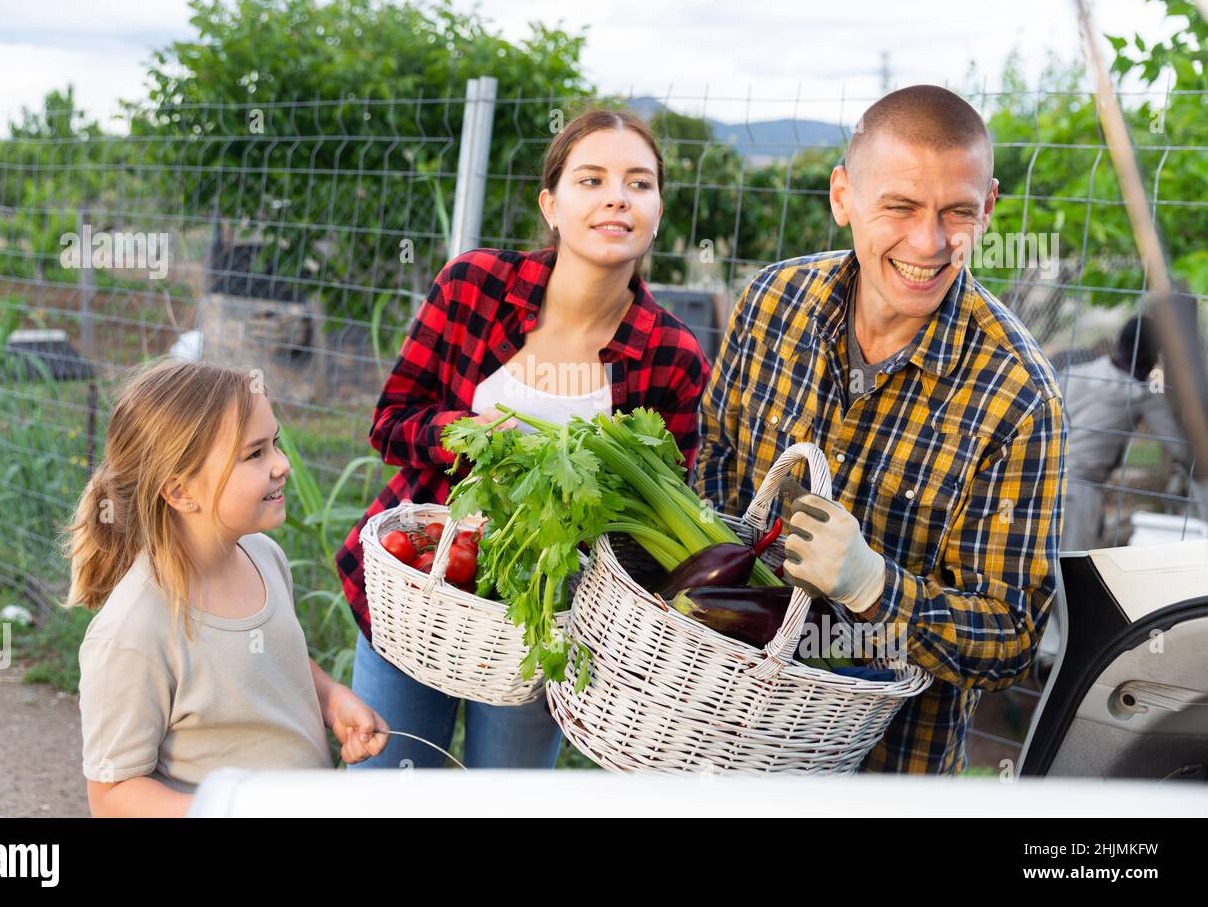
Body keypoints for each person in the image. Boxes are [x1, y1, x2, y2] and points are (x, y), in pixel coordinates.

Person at [694, 84, 1067, 775]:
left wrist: (872, 587)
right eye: (899, 207)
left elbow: (1012, 638)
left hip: (882, 767)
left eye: (957, 212)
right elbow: (716, 449)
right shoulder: (771, 303)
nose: (928, 243)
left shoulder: (1019, 398)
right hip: (716, 726)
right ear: (843, 197)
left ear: (987, 207)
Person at [336, 109, 711, 769]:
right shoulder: (474, 286)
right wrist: (470, 437)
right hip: (424, 587)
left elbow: (657, 529)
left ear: (657, 208)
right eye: (591, 180)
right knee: (386, 789)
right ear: (551, 204)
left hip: (542, 616)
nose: (616, 197)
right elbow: (390, 421)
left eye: (639, 183)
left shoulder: (671, 354)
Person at [66, 360, 387, 817]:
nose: (282, 465)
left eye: (274, 444)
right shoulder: (132, 631)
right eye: (254, 454)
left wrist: (332, 700)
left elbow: (274, 662)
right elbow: (112, 797)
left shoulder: (263, 556)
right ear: (180, 492)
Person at [1059, 314, 1208, 551]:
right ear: (1150, 355)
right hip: (1081, 491)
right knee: (1073, 568)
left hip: (1045, 478)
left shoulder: (1074, 373)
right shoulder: (1141, 395)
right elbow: (1182, 449)